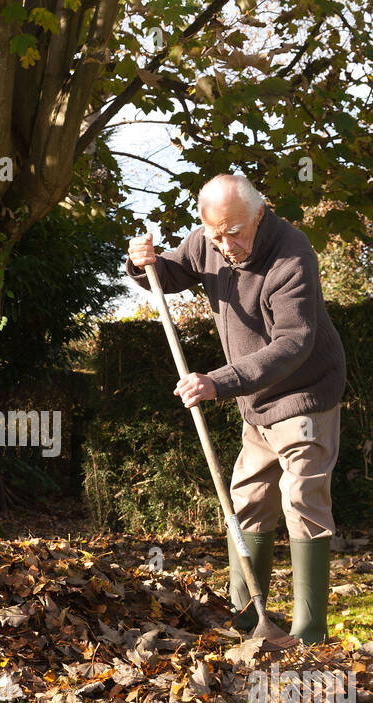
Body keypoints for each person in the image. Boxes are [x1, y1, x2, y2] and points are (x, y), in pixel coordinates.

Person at [125, 173, 347, 644]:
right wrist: (142, 262)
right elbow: (169, 275)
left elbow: (294, 342)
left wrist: (218, 382)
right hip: (257, 400)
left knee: (302, 501)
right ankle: (249, 618)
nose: (226, 245)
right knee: (246, 502)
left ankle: (309, 631)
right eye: (215, 234)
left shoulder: (292, 255)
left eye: (235, 232)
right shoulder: (207, 240)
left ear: (260, 213)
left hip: (304, 394)